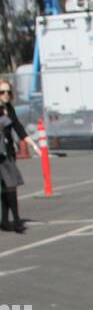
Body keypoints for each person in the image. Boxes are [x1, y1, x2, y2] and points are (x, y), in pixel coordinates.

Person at [0, 80, 38, 233]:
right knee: (11, 184)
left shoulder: (9, 108)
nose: (6, 95)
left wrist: (33, 144)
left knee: (6, 187)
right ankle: (16, 220)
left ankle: (4, 220)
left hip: (8, 151)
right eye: (2, 92)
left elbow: (18, 127)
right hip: (1, 154)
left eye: (8, 91)